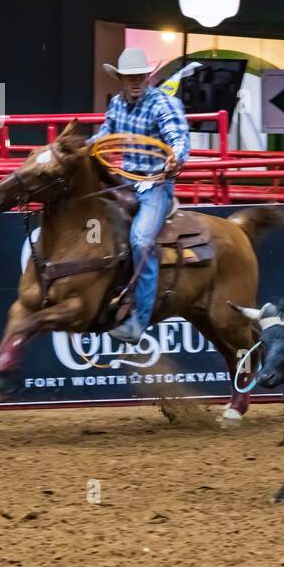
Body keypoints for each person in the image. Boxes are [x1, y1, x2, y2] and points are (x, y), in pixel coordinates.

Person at [90, 47, 190, 345]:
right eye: (128, 76)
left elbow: (178, 138)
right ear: (121, 78)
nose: (134, 81)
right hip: (124, 182)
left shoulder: (164, 104)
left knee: (141, 240)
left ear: (148, 76)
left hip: (155, 184)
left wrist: (176, 158)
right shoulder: (117, 105)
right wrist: (81, 149)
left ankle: (139, 320)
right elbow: (103, 136)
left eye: (139, 75)